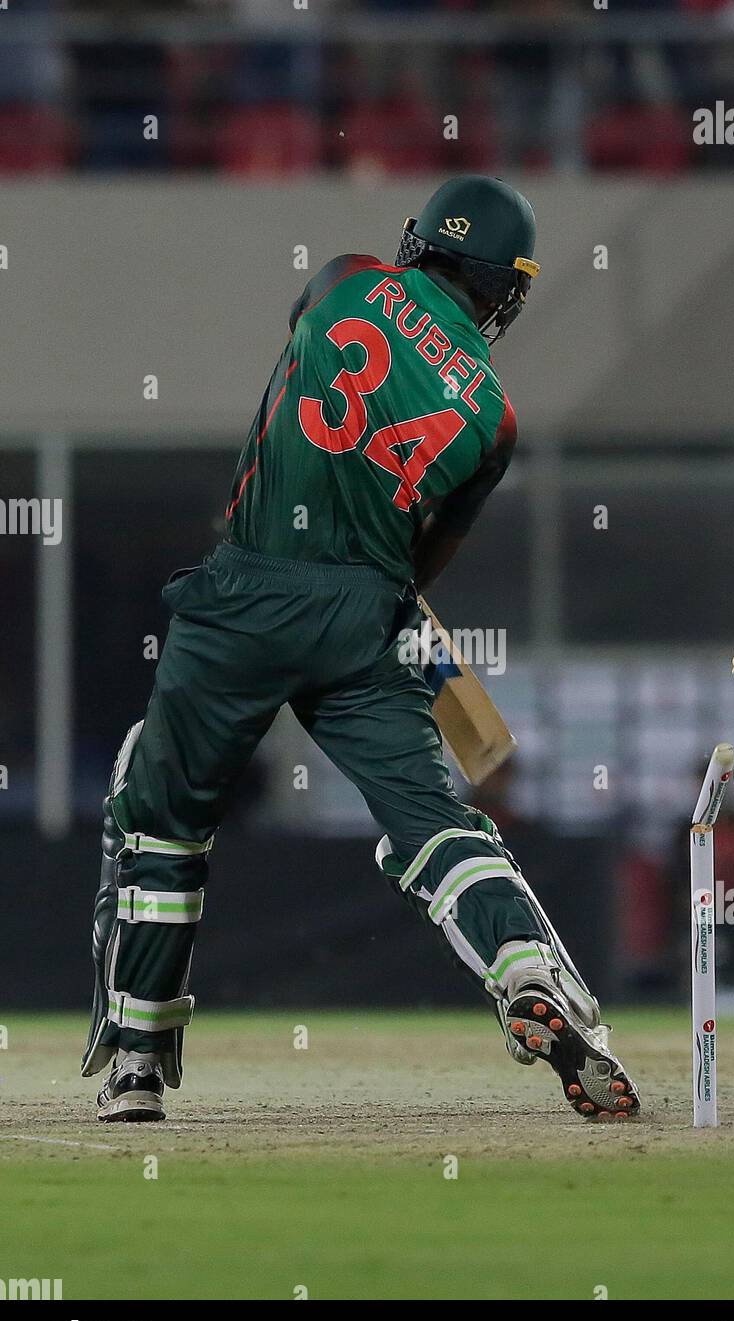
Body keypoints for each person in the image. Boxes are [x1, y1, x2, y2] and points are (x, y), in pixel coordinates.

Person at [81, 174, 640, 1124]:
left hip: (243, 593)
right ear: (504, 287)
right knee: (435, 824)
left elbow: (301, 375)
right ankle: (525, 973)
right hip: (363, 619)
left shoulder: (343, 280)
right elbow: (423, 561)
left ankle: (136, 1063)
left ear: (422, 242)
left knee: (162, 816)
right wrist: (373, 592)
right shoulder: (492, 420)